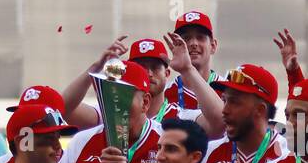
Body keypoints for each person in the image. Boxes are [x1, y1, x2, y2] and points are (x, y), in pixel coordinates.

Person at [61, 33, 223, 136]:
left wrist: (187, 69)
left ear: (167, 74)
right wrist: (95, 69)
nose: (149, 73)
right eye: (141, 67)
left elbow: (219, 122)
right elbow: (64, 109)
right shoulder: (113, 114)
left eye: (155, 67)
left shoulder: (181, 117)